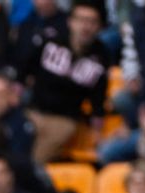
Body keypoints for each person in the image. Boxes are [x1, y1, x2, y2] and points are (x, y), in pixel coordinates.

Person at [20, 0, 111, 165]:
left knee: (36, 159)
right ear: (71, 21)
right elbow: (25, 68)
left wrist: (97, 128)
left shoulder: (101, 55)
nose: (86, 26)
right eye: (81, 20)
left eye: (91, 22)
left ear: (99, 26)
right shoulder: (52, 40)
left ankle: (28, 174)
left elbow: (99, 96)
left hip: (64, 120)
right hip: (33, 111)